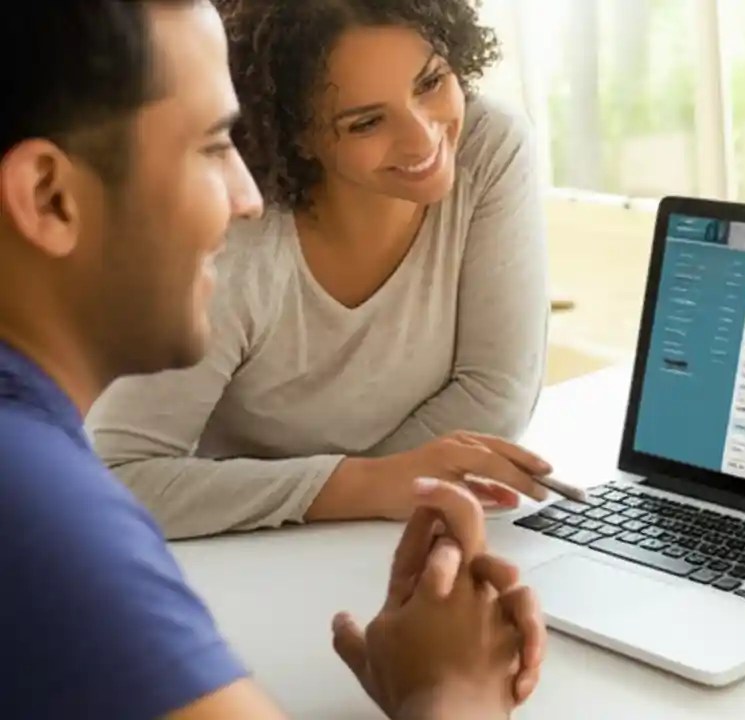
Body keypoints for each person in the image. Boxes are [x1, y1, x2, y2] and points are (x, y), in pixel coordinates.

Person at [0, 2, 543, 718]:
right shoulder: (39, 512)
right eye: (215, 145)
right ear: (48, 194)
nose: (252, 198)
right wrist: (455, 693)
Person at [87, 0, 553, 539]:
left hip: (386, 537)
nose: (424, 139)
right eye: (367, 122)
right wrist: (369, 486)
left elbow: (496, 396)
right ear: (297, 134)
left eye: (430, 82)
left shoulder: (488, 148)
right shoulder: (238, 239)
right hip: (253, 558)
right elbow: (114, 478)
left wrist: (385, 490)